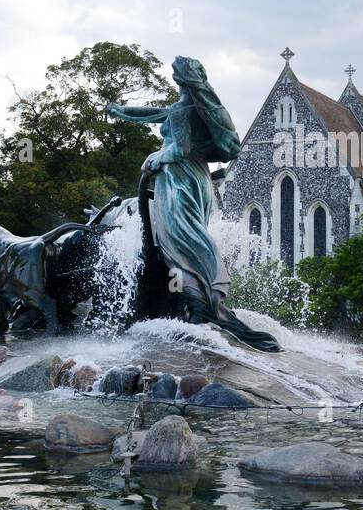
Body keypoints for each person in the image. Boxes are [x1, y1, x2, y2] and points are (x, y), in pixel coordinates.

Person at [106, 56, 279, 352]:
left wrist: (156, 158)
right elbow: (152, 115)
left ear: (178, 78)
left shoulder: (183, 111)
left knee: (181, 242)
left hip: (179, 180)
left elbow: (180, 148)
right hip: (198, 177)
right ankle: (202, 300)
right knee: (189, 237)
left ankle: (203, 303)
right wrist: (121, 112)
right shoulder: (191, 108)